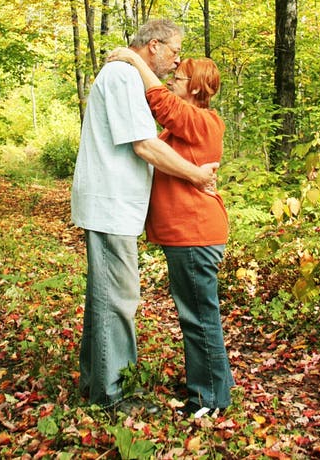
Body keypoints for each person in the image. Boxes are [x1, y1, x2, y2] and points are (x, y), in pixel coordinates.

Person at [71, 19, 219, 411]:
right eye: (174, 52)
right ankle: (113, 396)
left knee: (106, 296)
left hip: (114, 204)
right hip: (111, 204)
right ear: (154, 45)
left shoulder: (128, 75)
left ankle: (95, 383)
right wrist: (196, 176)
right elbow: (145, 145)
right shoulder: (122, 76)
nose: (177, 61)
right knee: (117, 299)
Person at [107, 46, 234, 418]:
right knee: (198, 313)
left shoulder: (203, 121)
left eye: (178, 78)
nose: (171, 81)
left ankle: (208, 400)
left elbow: (161, 101)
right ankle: (216, 387)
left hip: (195, 232)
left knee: (198, 316)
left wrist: (135, 60)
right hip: (188, 234)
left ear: (194, 87)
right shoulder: (184, 126)